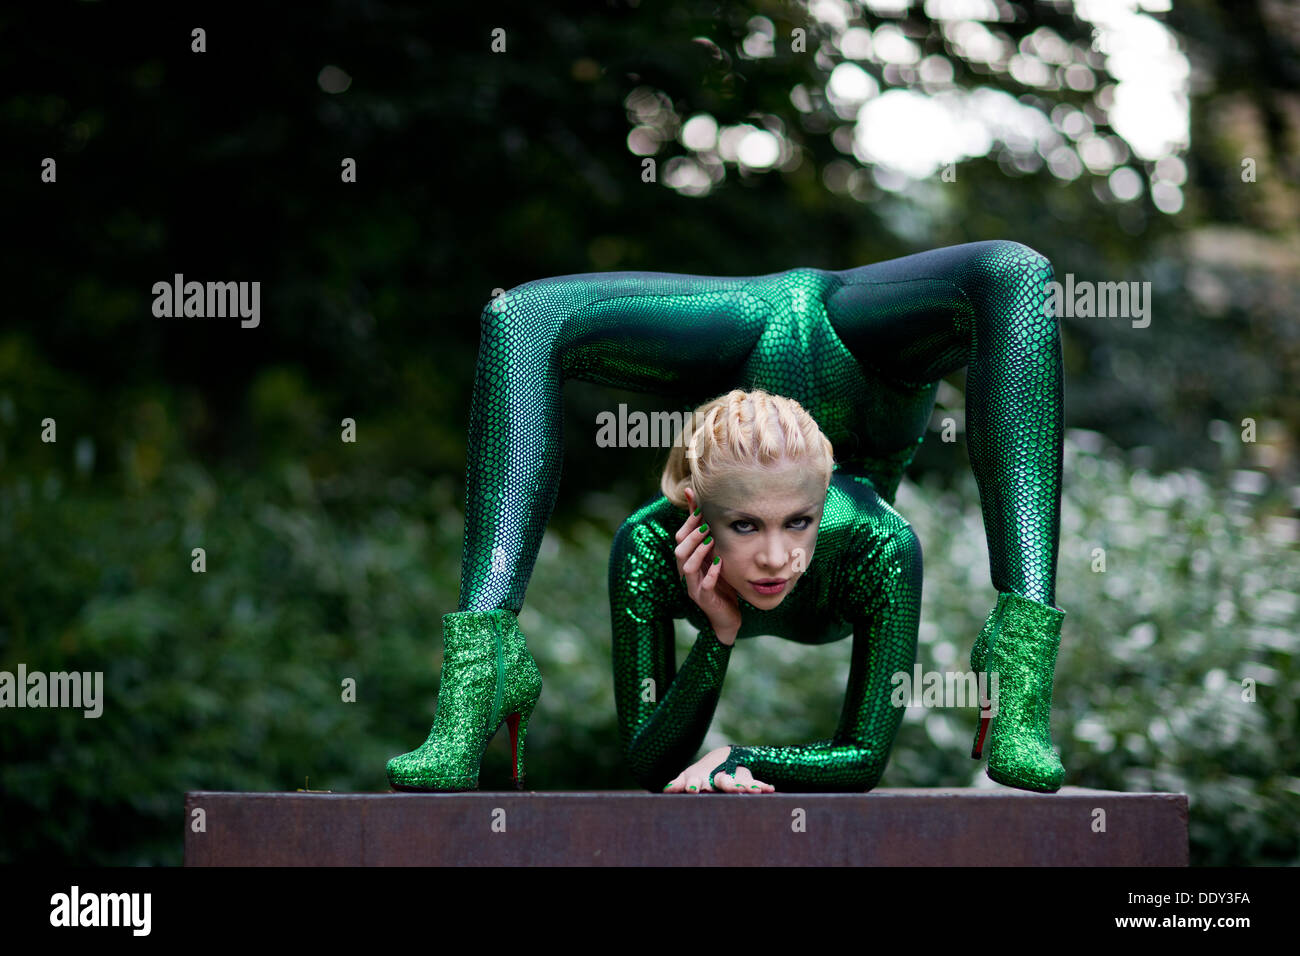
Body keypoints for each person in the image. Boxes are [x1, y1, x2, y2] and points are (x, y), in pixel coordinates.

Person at [385, 238, 1068, 794]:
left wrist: (740, 757)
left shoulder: (874, 544)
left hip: (861, 351)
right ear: (694, 507)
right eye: (745, 526)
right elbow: (650, 764)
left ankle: (1020, 661)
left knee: (1015, 273)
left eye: (797, 524)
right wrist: (717, 638)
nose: (777, 561)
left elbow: (862, 759)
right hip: (745, 350)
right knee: (519, 317)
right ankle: (484, 661)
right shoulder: (652, 546)